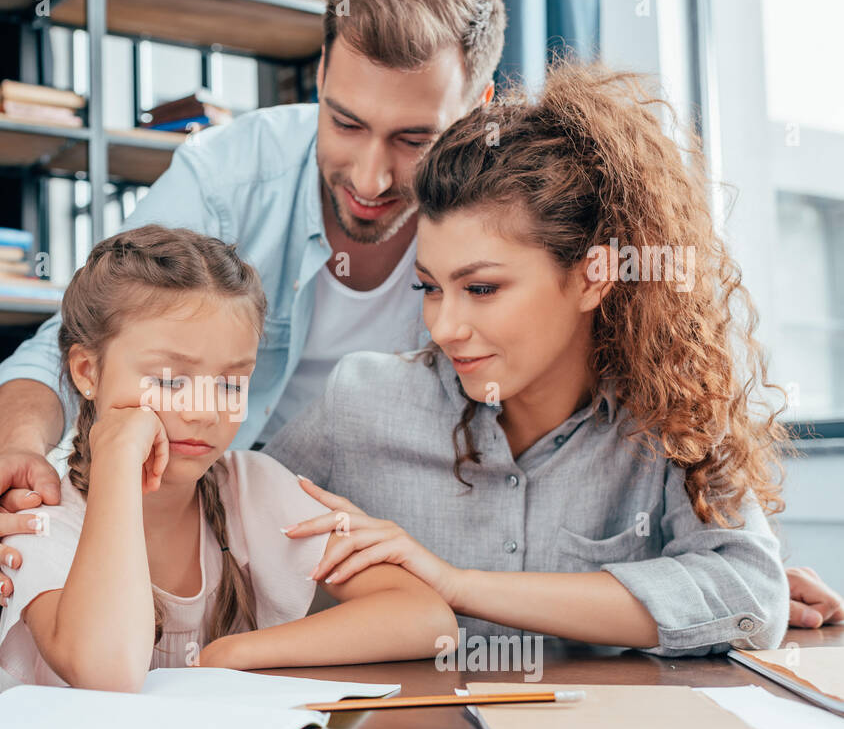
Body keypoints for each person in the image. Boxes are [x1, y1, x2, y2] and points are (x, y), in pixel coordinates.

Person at [0, 0, 507, 598]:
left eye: (415, 139)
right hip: (215, 523)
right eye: (346, 123)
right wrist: (12, 448)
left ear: (476, 111)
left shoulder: (496, 221)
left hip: (379, 540)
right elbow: (76, 339)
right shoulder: (227, 176)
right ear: (321, 72)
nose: (371, 179)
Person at [266, 61, 792, 655]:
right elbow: (220, 519)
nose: (444, 328)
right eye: (430, 288)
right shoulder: (361, 403)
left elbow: (751, 599)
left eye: (482, 289)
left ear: (594, 276)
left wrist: (458, 586)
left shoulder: (673, 415)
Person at [0, 225, 457, 693]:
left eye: (231, 382)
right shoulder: (40, 513)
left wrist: (232, 654)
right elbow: (107, 673)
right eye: (169, 379)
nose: (205, 411)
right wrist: (120, 458)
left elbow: (428, 619)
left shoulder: (255, 487)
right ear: (87, 371)